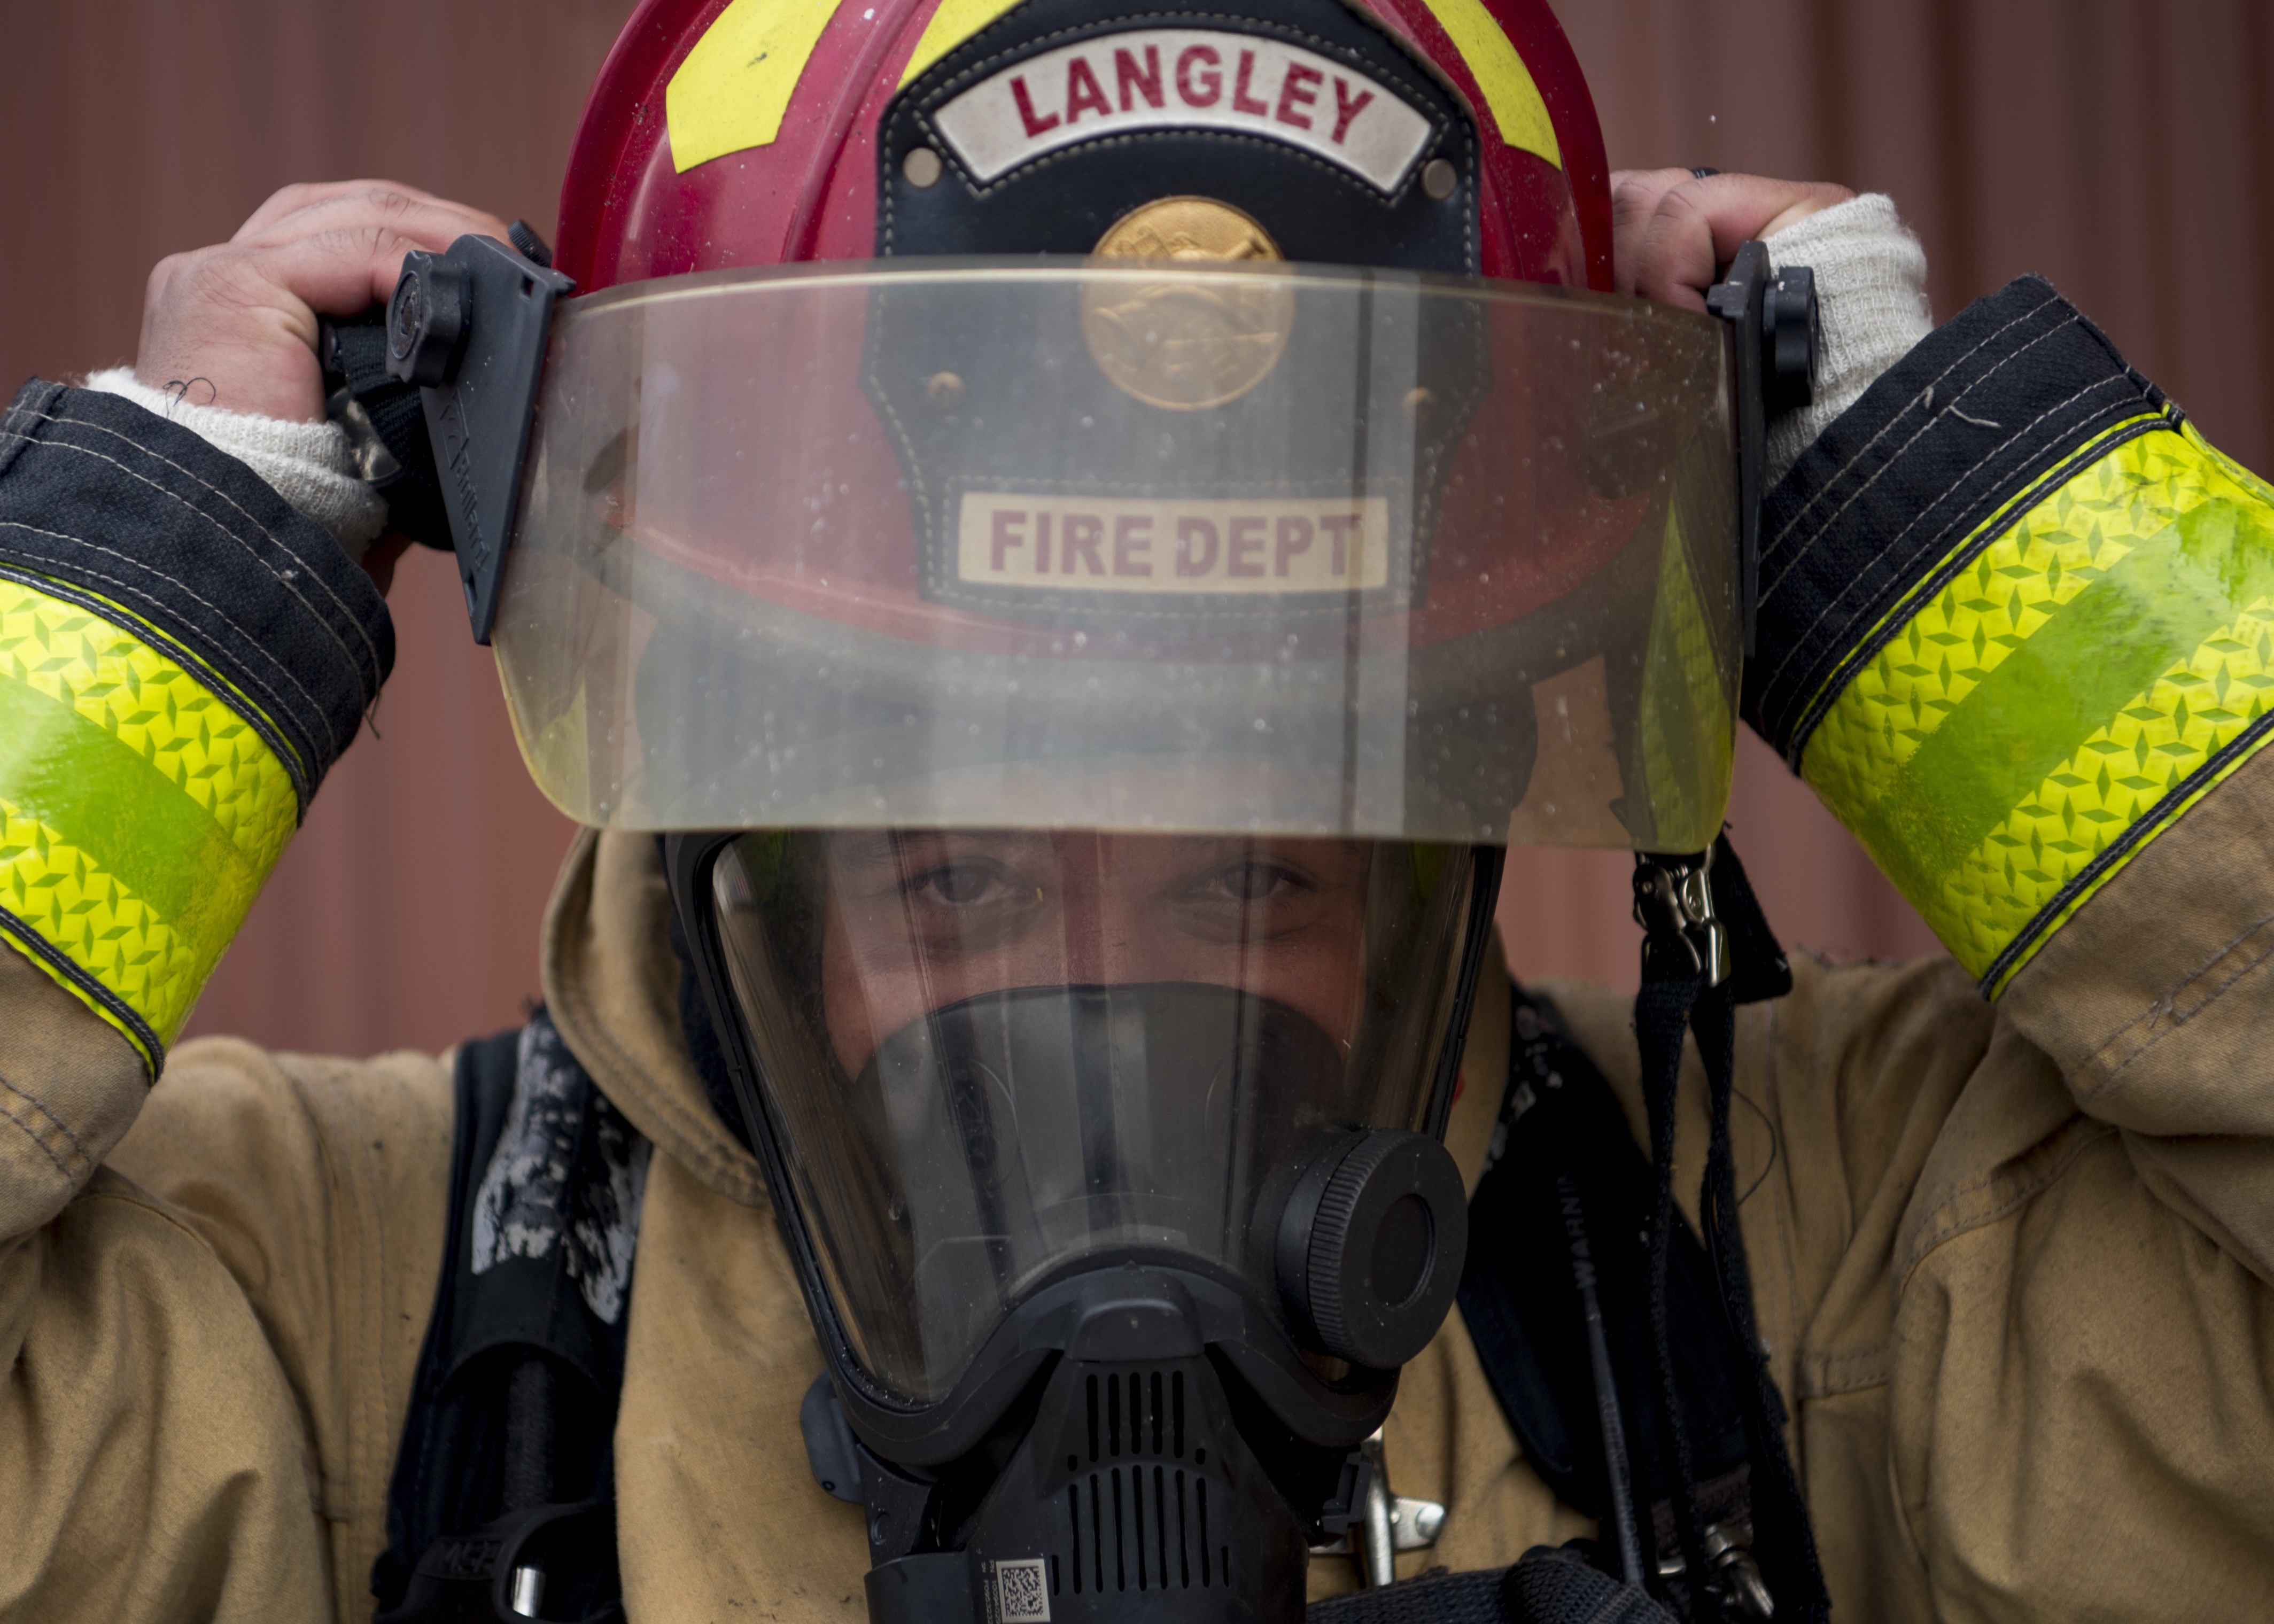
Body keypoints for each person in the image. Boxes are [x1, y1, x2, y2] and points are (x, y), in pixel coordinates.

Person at [3, 0, 2272, 1618]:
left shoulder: (1802, 1258)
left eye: (1254, 862)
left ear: (1430, 864)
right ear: (737, 863)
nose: (1103, 995)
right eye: (956, 865)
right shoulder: (341, 1313)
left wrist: (1927, 512)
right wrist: (168, 570)